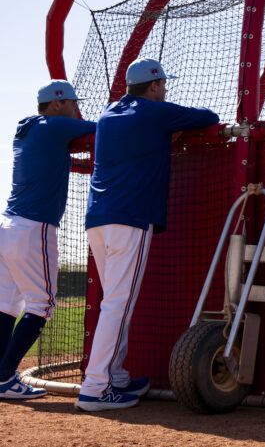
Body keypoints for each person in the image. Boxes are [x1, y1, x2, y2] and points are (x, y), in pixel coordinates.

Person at [76, 58, 219, 412]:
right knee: (117, 304)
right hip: (130, 218)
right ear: (153, 85)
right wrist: (169, 126)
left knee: (115, 302)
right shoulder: (155, 112)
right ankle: (95, 387)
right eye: (163, 84)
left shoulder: (109, 112)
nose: (165, 89)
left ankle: (115, 376)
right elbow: (208, 116)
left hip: (97, 219)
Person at [0, 81, 96, 399]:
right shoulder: (54, 126)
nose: (76, 109)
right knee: (42, 304)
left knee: (6, 305)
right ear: (56, 104)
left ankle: (0, 377)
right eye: (72, 103)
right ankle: (4, 376)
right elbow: (102, 130)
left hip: (8, 226)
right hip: (33, 228)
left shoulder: (29, 127)